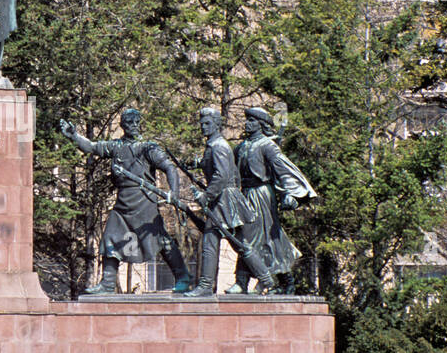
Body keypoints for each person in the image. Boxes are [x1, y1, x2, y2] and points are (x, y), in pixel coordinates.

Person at [59, 109, 194, 295]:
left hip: (144, 201)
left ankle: (183, 277)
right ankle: (107, 283)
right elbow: (91, 146)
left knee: (160, 240)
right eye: (128, 122)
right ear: (122, 125)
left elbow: (169, 168)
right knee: (110, 237)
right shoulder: (116, 146)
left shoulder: (148, 147)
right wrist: (74, 135)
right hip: (123, 202)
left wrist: (173, 193)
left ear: (140, 123)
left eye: (135, 122)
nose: (132, 125)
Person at [183, 106, 275, 297]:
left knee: (215, 239)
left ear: (217, 124)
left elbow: (222, 175)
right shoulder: (214, 146)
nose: (203, 127)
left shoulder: (219, 146)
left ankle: (207, 285)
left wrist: (205, 196)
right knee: (239, 243)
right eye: (201, 123)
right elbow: (217, 166)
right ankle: (266, 279)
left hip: (224, 199)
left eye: (207, 123)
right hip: (225, 198)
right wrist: (197, 163)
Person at [229, 107, 317, 294]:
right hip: (244, 194)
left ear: (261, 125)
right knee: (246, 237)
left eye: (252, 120)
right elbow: (228, 168)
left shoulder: (267, 145)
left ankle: (250, 280)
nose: (247, 123)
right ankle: (282, 281)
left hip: (261, 195)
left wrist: (289, 194)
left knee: (256, 238)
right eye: (247, 120)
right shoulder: (241, 147)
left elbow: (282, 170)